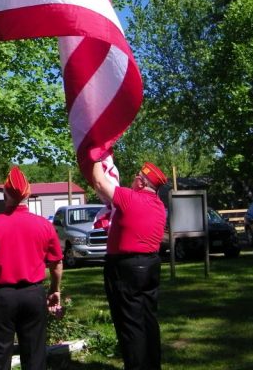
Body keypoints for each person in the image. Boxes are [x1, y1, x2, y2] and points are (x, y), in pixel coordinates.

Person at [0, 166, 63, 370]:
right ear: (28, 194)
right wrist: (55, 289)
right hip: (33, 294)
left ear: (5, 194)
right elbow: (56, 263)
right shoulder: (44, 225)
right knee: (35, 353)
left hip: (2, 297)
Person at [88, 159, 168, 370]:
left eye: (136, 177)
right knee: (148, 319)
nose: (132, 180)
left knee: (129, 323)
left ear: (141, 183)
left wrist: (95, 155)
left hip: (126, 268)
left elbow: (99, 181)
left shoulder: (130, 198)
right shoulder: (160, 206)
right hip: (150, 265)